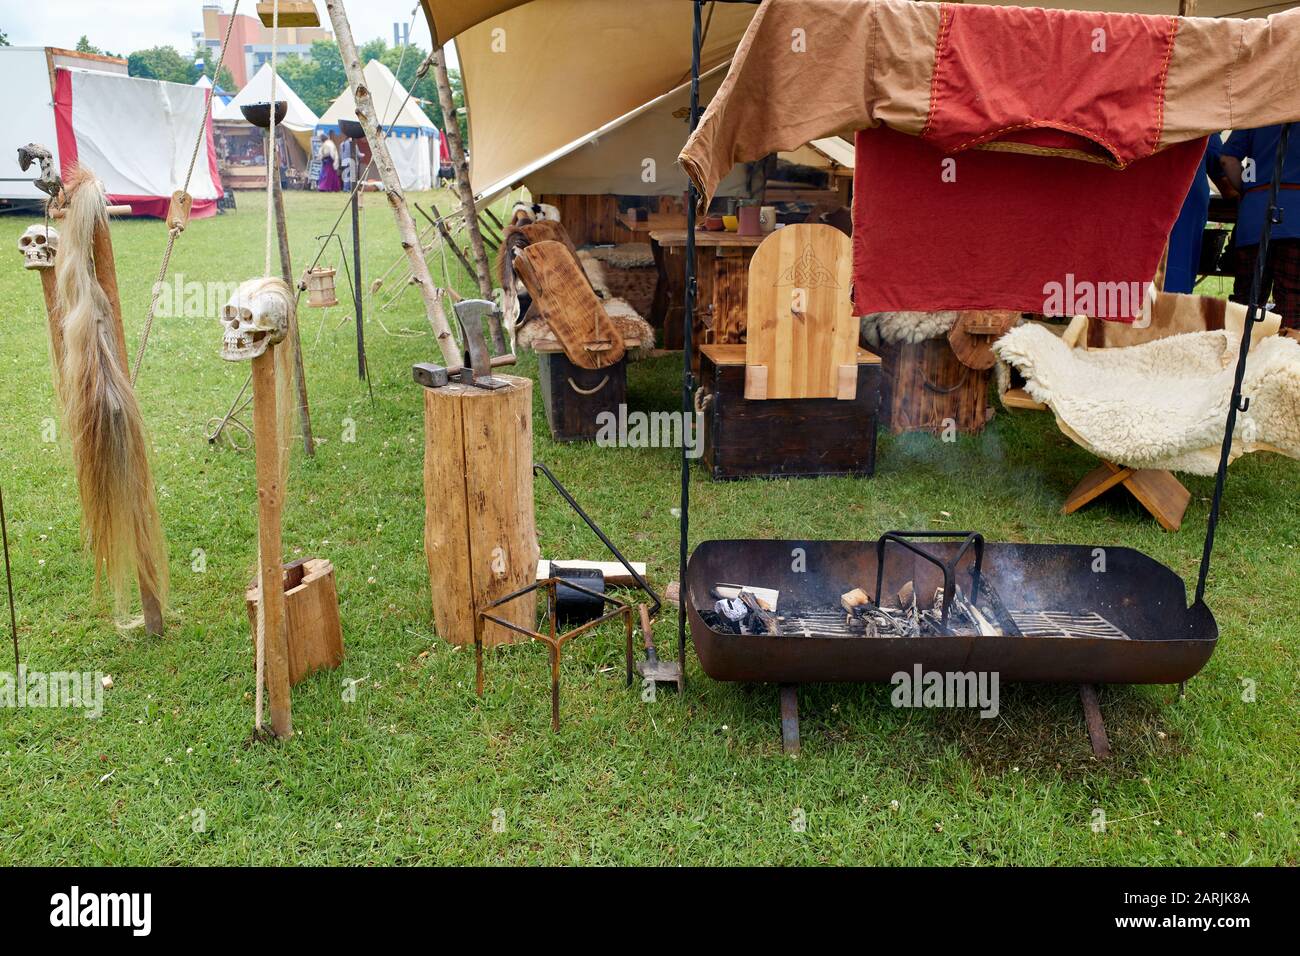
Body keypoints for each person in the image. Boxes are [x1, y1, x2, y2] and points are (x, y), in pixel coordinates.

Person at [1220, 124, 1300, 330]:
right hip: (1297, 218)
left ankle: (1239, 356)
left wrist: (1250, 190)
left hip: (1255, 215)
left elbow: (1227, 159)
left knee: (1245, 304)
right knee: (1293, 304)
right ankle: (1287, 358)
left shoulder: (1259, 106)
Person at [1164, 134, 1225, 294]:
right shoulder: (1201, 117)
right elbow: (1222, 167)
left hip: (1143, 197)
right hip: (1185, 201)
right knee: (1177, 272)